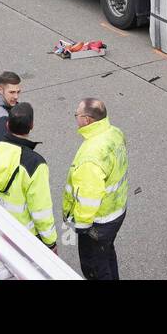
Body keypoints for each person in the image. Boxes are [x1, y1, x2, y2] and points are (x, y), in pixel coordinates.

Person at [62, 98, 129, 280]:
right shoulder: (115, 133)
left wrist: (81, 226)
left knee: (95, 266)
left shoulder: (91, 154)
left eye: (77, 114)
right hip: (116, 211)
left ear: (87, 120)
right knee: (106, 253)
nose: (75, 117)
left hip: (98, 221)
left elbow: (88, 196)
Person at [0, 102, 57, 249]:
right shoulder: (35, 164)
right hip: (24, 238)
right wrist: (50, 242)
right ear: (31, 125)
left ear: (7, 125)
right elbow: (41, 210)